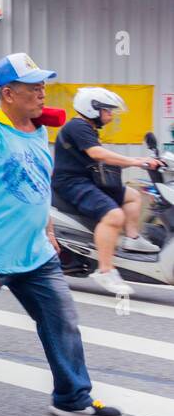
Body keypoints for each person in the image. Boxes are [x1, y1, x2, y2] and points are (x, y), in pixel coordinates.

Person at [0, 54, 123, 416]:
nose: (42, 92)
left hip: (36, 254)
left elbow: (39, 187)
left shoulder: (38, 131)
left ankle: (72, 396)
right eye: (32, 86)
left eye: (43, 84)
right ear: (7, 93)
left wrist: (49, 229)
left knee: (63, 320)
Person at [51, 86, 163, 296]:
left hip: (87, 181)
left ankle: (132, 238)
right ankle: (105, 270)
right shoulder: (78, 127)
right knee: (113, 215)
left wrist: (139, 161)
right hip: (72, 183)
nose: (110, 115)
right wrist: (136, 161)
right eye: (107, 110)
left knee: (133, 197)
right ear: (93, 109)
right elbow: (97, 154)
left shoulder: (87, 129)